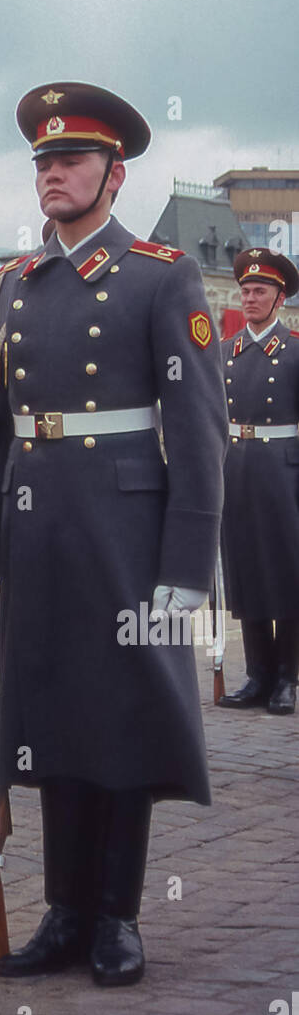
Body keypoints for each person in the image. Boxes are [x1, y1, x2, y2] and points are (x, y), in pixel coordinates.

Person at [0, 82, 227, 986]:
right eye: (42, 160)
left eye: (70, 160)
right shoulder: (15, 285)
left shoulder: (160, 274)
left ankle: (115, 915)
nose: (52, 173)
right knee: (50, 719)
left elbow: (195, 427)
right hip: (38, 531)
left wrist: (187, 562)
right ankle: (62, 911)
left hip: (122, 526)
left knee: (121, 719)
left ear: (114, 175)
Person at [218, 247, 299, 715]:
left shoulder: (293, 351)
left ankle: (287, 676)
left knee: (287, 573)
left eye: (260, 291)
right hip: (238, 466)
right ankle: (257, 674)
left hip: (283, 471)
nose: (250, 298)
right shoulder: (226, 353)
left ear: (278, 298)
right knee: (245, 569)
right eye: (246, 290)